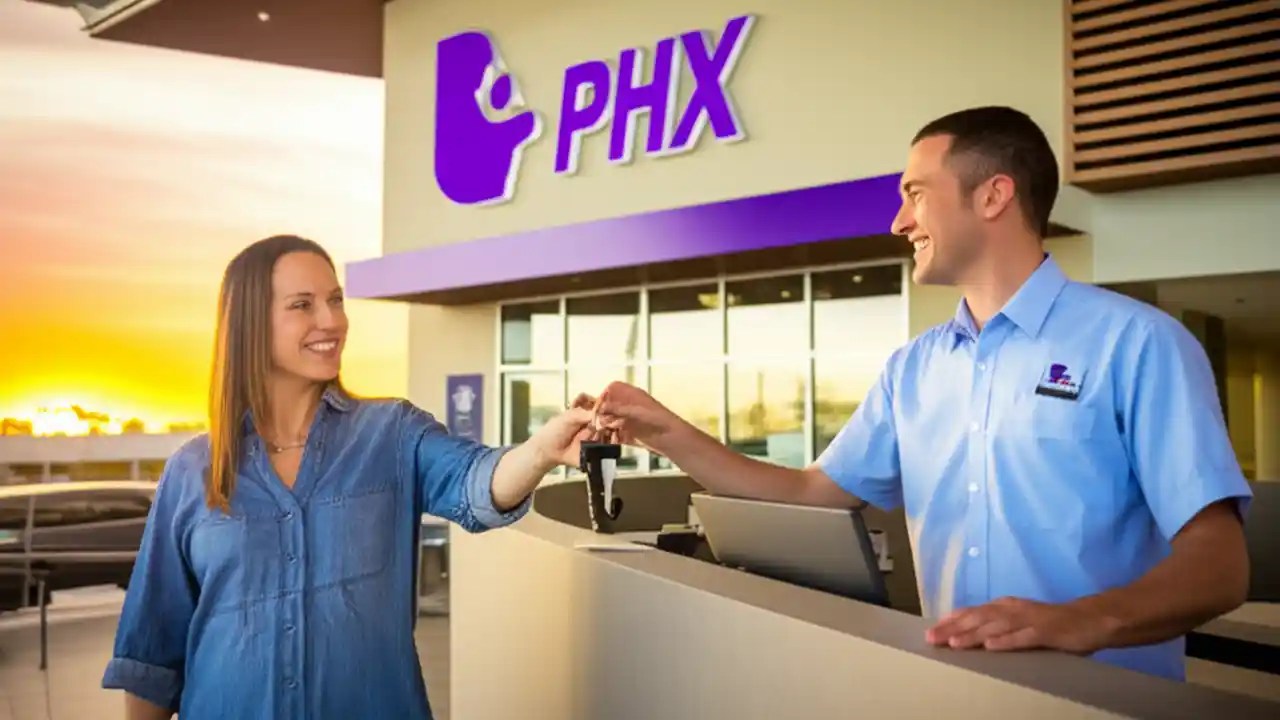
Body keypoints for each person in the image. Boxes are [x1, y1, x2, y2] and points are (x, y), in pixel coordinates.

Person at [586, 106, 1252, 681]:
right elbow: (812, 494)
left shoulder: (1139, 344)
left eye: (915, 192)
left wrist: (1081, 621)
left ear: (993, 196)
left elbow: (1220, 566)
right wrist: (664, 431)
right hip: (958, 689)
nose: (899, 220)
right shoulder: (914, 368)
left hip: (1109, 700)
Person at [101, 235, 595, 719]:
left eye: (335, 300)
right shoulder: (192, 471)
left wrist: (541, 452)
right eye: (303, 304)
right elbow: (152, 655)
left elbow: (476, 482)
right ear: (251, 323)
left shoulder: (392, 433)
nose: (331, 320)